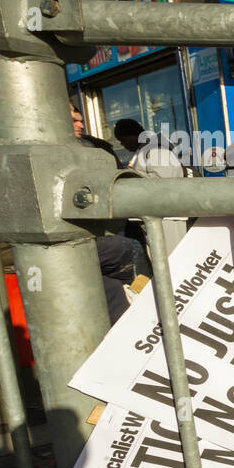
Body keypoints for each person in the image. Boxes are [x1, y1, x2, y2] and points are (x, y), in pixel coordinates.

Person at [70, 101, 149, 322]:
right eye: (74, 118)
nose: (81, 122)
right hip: (81, 238)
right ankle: (144, 311)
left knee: (113, 284)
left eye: (80, 118)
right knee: (130, 250)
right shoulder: (83, 149)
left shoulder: (92, 145)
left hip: (99, 229)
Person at [113, 118, 189, 254]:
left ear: (132, 135)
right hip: (157, 219)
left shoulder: (156, 148)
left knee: (172, 259)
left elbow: (163, 182)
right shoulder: (146, 149)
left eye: (123, 140)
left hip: (167, 219)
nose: (123, 145)